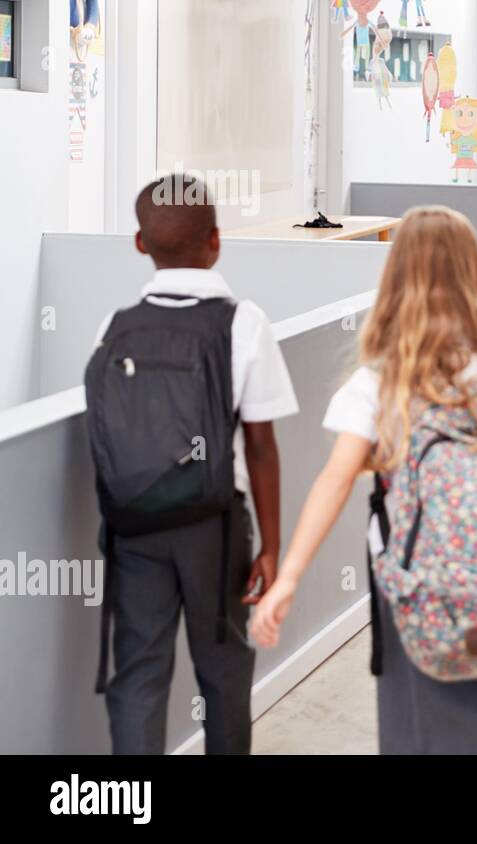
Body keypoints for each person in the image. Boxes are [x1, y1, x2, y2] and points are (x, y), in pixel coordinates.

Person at [250, 207, 477, 754]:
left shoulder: (382, 383)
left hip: (421, 591)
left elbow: (335, 480)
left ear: (397, 281)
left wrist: (289, 578)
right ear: (475, 280)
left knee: (420, 731)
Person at [87, 174, 297, 754]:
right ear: (216, 242)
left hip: (132, 528)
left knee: (138, 676)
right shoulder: (243, 323)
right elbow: (260, 445)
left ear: (139, 244)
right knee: (223, 671)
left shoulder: (115, 326)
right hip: (214, 526)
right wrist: (272, 548)